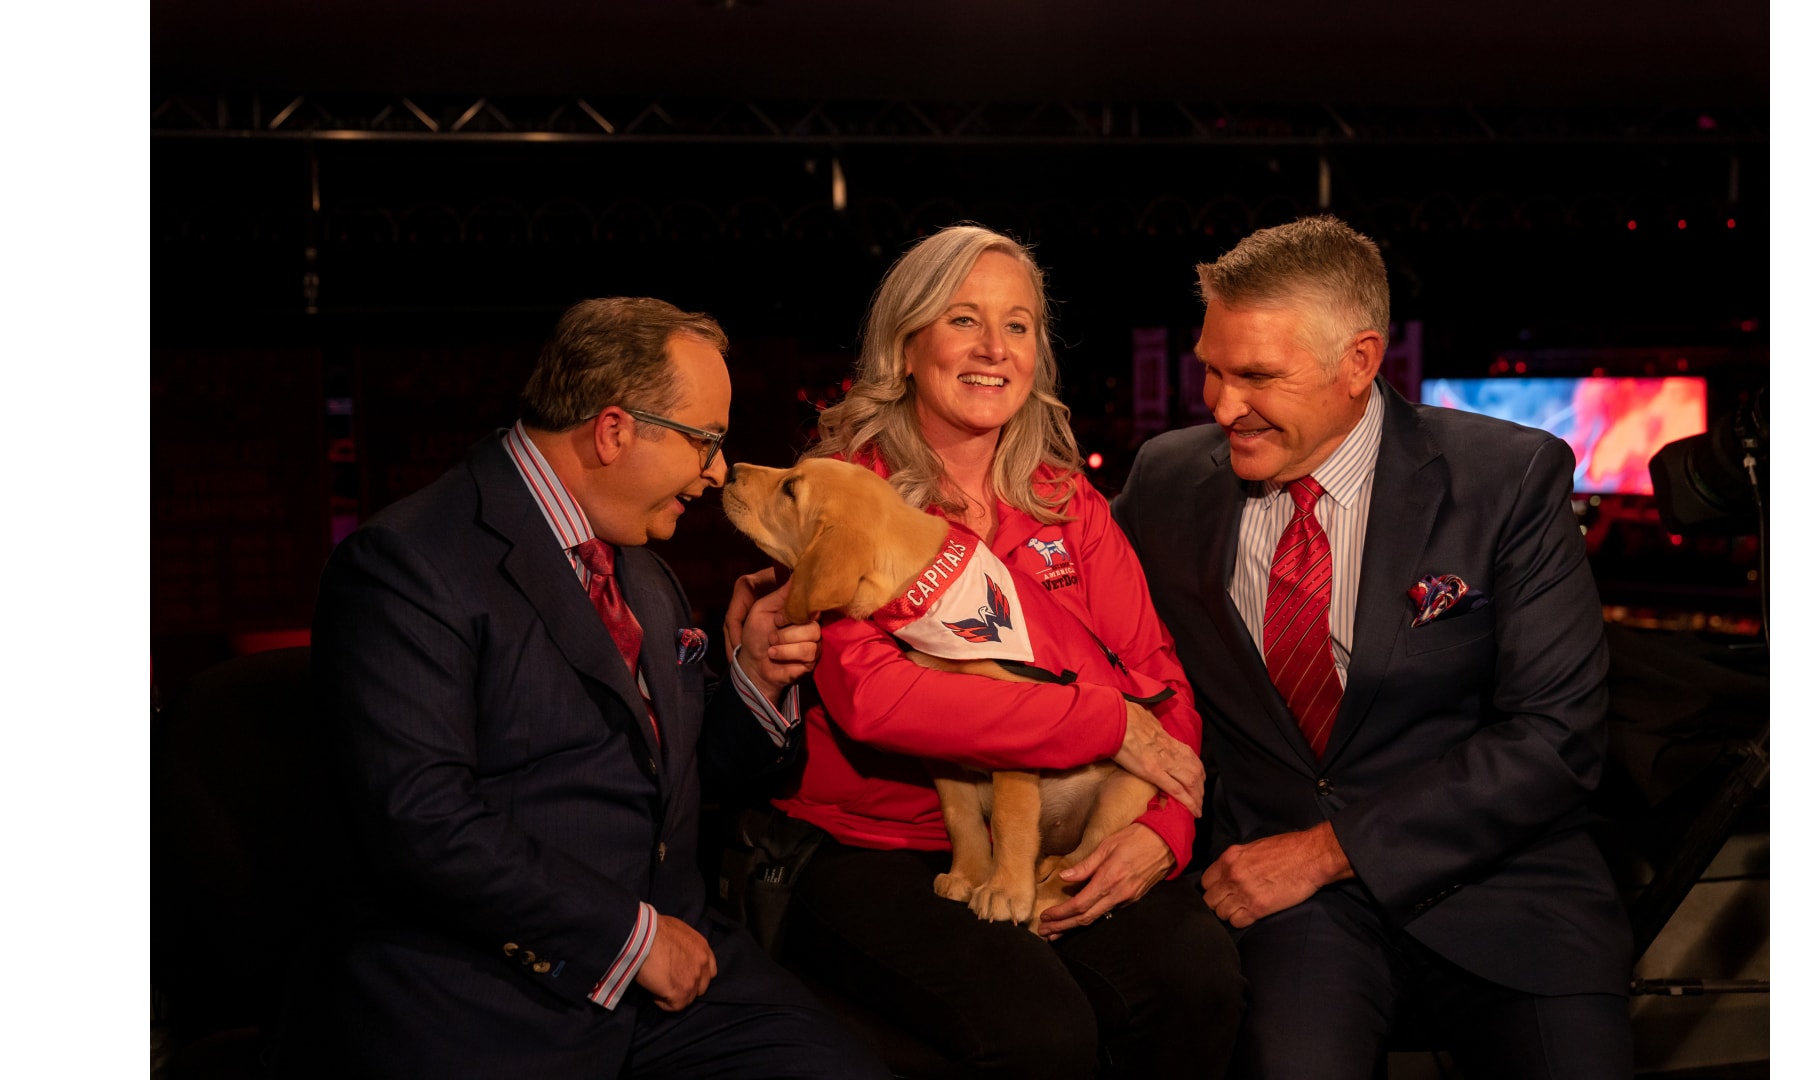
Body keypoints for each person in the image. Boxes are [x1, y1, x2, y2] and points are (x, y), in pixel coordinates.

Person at [279, 298, 888, 1080]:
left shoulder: (643, 569)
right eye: (705, 441)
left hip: (677, 975)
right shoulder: (405, 565)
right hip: (492, 996)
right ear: (614, 431)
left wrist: (754, 677)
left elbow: (672, 777)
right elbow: (422, 824)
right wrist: (629, 940)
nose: (717, 473)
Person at [1112, 216, 1634, 1079]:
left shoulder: (1506, 479)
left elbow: (1555, 739)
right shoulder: (1165, 480)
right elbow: (1070, 627)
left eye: (1256, 376)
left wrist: (1326, 850)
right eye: (1211, 368)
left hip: (1502, 886)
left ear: (1358, 362)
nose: (1221, 405)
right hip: (1284, 906)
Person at [756, 224, 1245, 1080]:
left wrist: (1160, 832)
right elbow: (878, 701)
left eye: (1017, 325)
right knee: (1040, 1029)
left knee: (1198, 978)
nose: (993, 348)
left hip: (1063, 829)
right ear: (906, 345)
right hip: (885, 845)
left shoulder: (1066, 499)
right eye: (963, 319)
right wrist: (1100, 724)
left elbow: (1158, 683)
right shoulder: (843, 488)